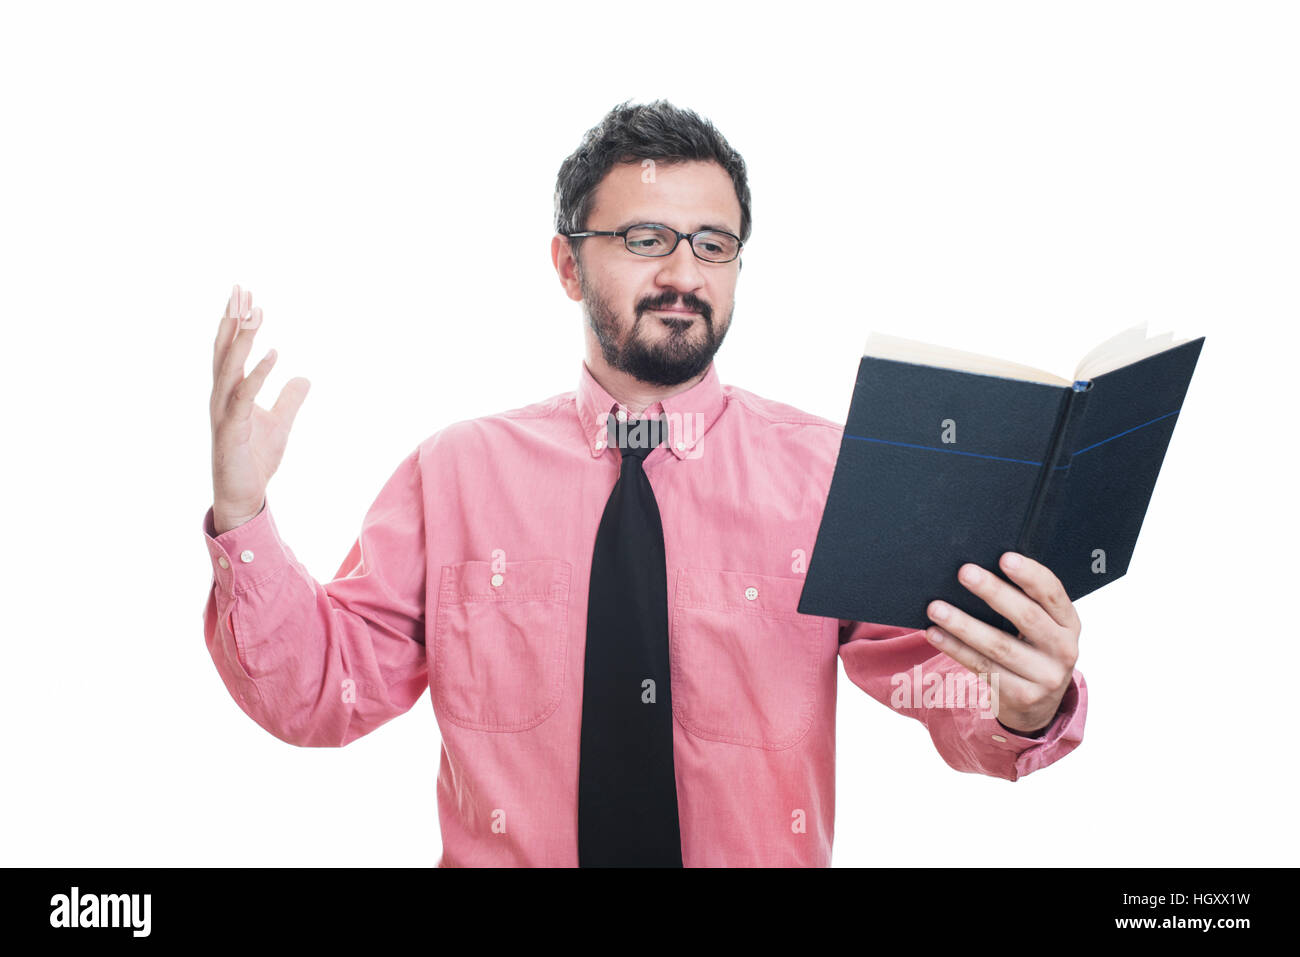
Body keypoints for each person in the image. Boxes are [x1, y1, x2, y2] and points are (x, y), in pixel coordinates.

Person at [203, 100, 1086, 867]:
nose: (683, 274)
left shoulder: (829, 473)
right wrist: (245, 512)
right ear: (566, 263)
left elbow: (946, 679)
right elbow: (320, 693)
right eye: (644, 239)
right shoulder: (455, 473)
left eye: (714, 243)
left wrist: (1025, 700)